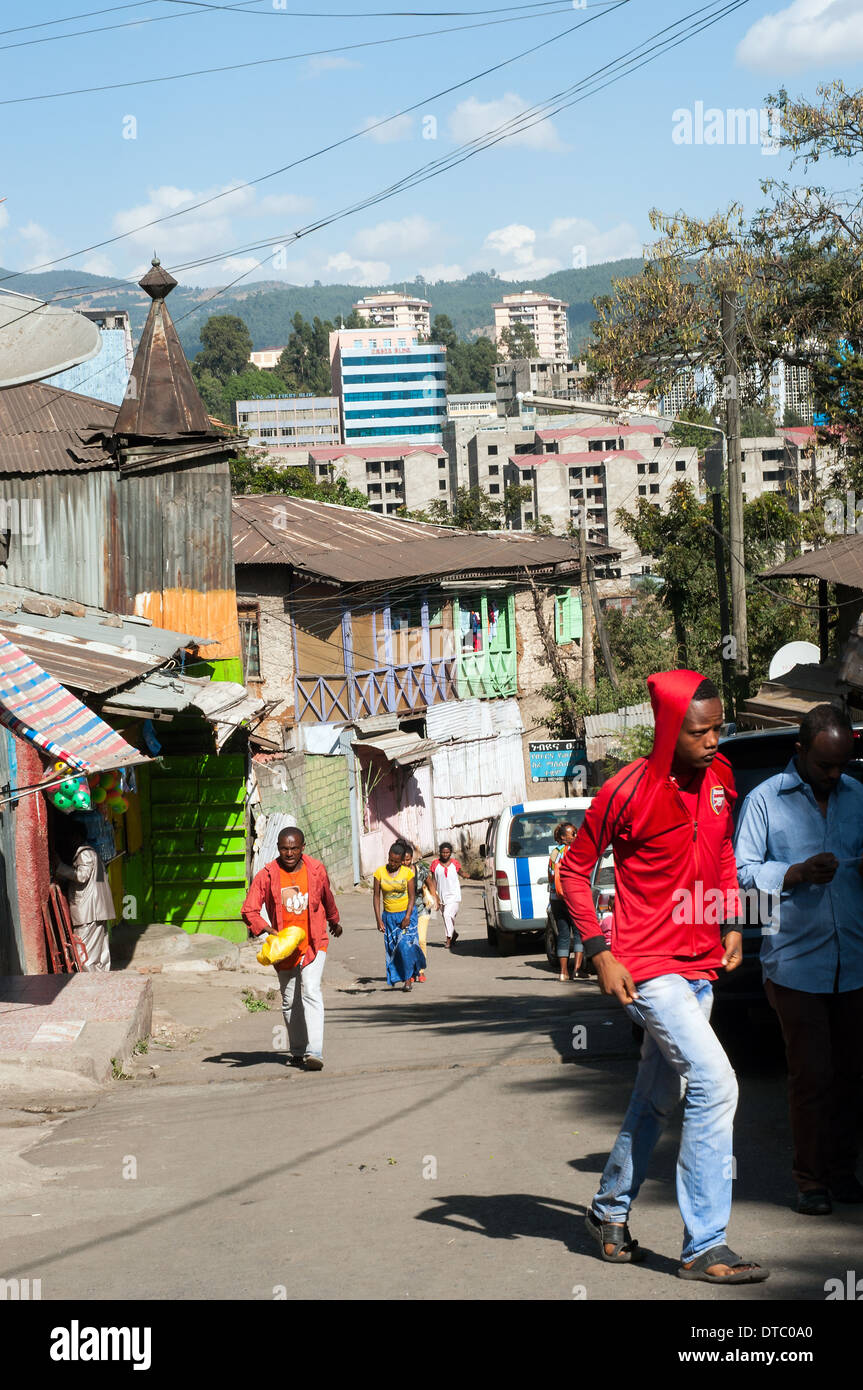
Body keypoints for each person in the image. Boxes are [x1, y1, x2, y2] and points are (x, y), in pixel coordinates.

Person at [559, 670, 768, 1284]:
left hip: (701, 963)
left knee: (657, 1096)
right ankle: (705, 1244)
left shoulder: (723, 779)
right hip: (648, 969)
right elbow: (574, 872)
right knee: (716, 1084)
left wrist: (732, 919)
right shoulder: (625, 791)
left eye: (719, 727)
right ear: (670, 729)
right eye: (701, 731)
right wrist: (599, 951)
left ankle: (607, 1211)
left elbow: (724, 853)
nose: (713, 740)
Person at [734, 703, 863, 1215]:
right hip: (794, 965)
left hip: (854, 961)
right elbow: (742, 880)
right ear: (801, 752)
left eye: (843, 765)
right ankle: (810, 1181)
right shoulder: (765, 801)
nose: (835, 775)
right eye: (825, 765)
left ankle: (841, 1171)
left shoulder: (859, 797)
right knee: (811, 1075)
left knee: (852, 1073)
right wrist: (795, 873)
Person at [242, 826, 341, 1072]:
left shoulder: (316, 869)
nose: (289, 853)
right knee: (289, 1001)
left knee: (310, 990)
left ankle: (315, 1051)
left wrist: (334, 920)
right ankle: (298, 1050)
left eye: (294, 848)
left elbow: (327, 896)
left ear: (302, 848)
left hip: (314, 941)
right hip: (284, 948)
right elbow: (249, 910)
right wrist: (267, 929)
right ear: (278, 848)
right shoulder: (266, 875)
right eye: (284, 848)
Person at [53, 819, 114, 971]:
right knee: (100, 949)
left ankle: (89, 979)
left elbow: (81, 876)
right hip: (97, 908)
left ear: (77, 836)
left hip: (89, 909)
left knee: (86, 950)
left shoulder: (84, 853)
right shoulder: (93, 853)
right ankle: (101, 976)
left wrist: (60, 867)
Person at [373, 840, 424, 992]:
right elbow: (376, 897)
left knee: (405, 947)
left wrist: (408, 916)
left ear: (402, 861)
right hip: (389, 917)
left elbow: (412, 897)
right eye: (390, 860)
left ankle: (408, 980)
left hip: (406, 916)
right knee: (392, 948)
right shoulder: (379, 873)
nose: (392, 863)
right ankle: (401, 975)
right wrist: (378, 919)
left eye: (396, 861)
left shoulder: (407, 873)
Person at [548, 821, 584, 981]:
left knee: (563, 934)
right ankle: (576, 970)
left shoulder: (554, 853)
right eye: (573, 833)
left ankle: (563, 972)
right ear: (563, 837)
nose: (576, 835)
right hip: (572, 897)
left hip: (556, 898)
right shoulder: (574, 851)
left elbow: (550, 874)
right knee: (578, 933)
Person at [403, 844, 439, 983]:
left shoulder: (420, 870)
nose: (405, 863)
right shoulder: (398, 873)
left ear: (411, 858)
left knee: (421, 940)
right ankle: (411, 970)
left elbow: (430, 883)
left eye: (407, 860)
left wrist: (435, 898)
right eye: (403, 860)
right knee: (409, 943)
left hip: (421, 909)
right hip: (405, 912)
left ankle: (420, 970)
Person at [430, 841, 464, 949]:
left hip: (454, 895)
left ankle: (448, 939)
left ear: (450, 853)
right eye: (443, 852)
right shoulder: (435, 864)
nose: (445, 854)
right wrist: (433, 894)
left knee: (447, 915)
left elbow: (461, 872)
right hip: (441, 896)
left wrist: (469, 875)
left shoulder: (455, 863)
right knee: (446, 918)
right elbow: (434, 880)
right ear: (440, 852)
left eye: (447, 852)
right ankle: (454, 934)